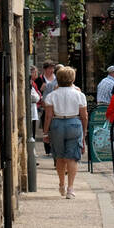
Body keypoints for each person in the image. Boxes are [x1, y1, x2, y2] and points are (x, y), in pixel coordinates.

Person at [42, 65, 88, 200]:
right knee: (72, 157)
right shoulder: (79, 95)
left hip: (57, 124)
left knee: (59, 156)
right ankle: (70, 188)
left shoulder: (51, 96)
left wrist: (45, 133)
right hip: (74, 123)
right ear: (72, 78)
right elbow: (84, 116)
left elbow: (48, 116)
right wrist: (84, 132)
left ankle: (61, 183)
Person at [39, 60, 58, 162]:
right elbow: (37, 91)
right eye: (49, 68)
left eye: (52, 68)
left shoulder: (56, 78)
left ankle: (53, 149)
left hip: (55, 108)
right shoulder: (41, 79)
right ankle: (48, 149)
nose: (51, 70)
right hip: (46, 107)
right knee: (47, 125)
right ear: (45, 69)